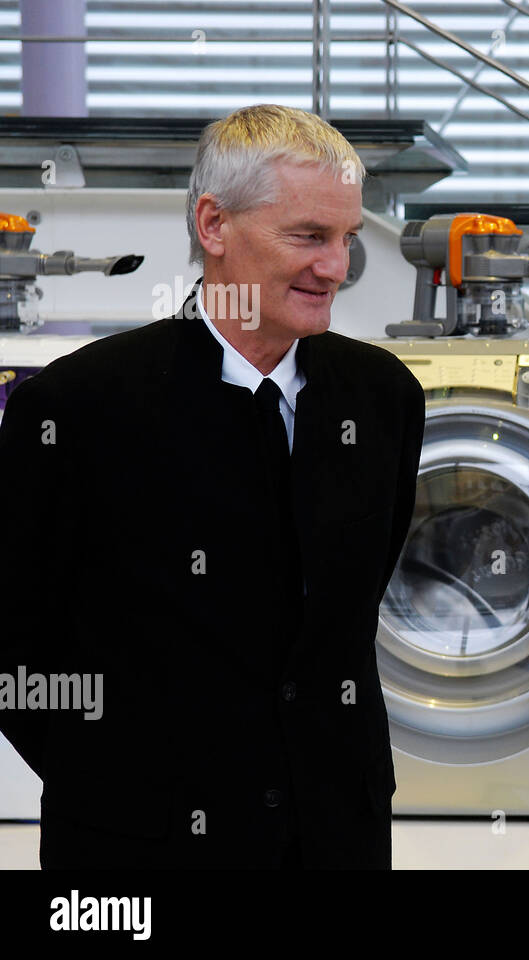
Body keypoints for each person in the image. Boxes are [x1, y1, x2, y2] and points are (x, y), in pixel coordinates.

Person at [0, 103, 426, 869]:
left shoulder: (383, 398)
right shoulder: (77, 407)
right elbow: (15, 638)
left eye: (346, 239)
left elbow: (346, 615)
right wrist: (109, 783)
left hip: (334, 836)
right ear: (214, 224)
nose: (335, 268)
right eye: (308, 236)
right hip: (138, 848)